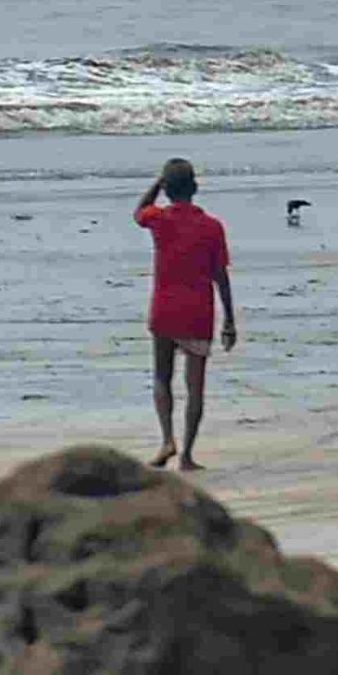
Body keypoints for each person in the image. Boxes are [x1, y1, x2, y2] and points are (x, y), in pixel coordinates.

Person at [134, 159, 237, 471]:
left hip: (164, 309)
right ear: (194, 188)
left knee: (161, 377)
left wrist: (157, 183)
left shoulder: (160, 219)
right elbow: (221, 276)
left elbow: (139, 211)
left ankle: (167, 439)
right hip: (198, 313)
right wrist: (229, 319)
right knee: (195, 388)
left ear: (167, 189)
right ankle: (188, 455)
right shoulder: (212, 226)